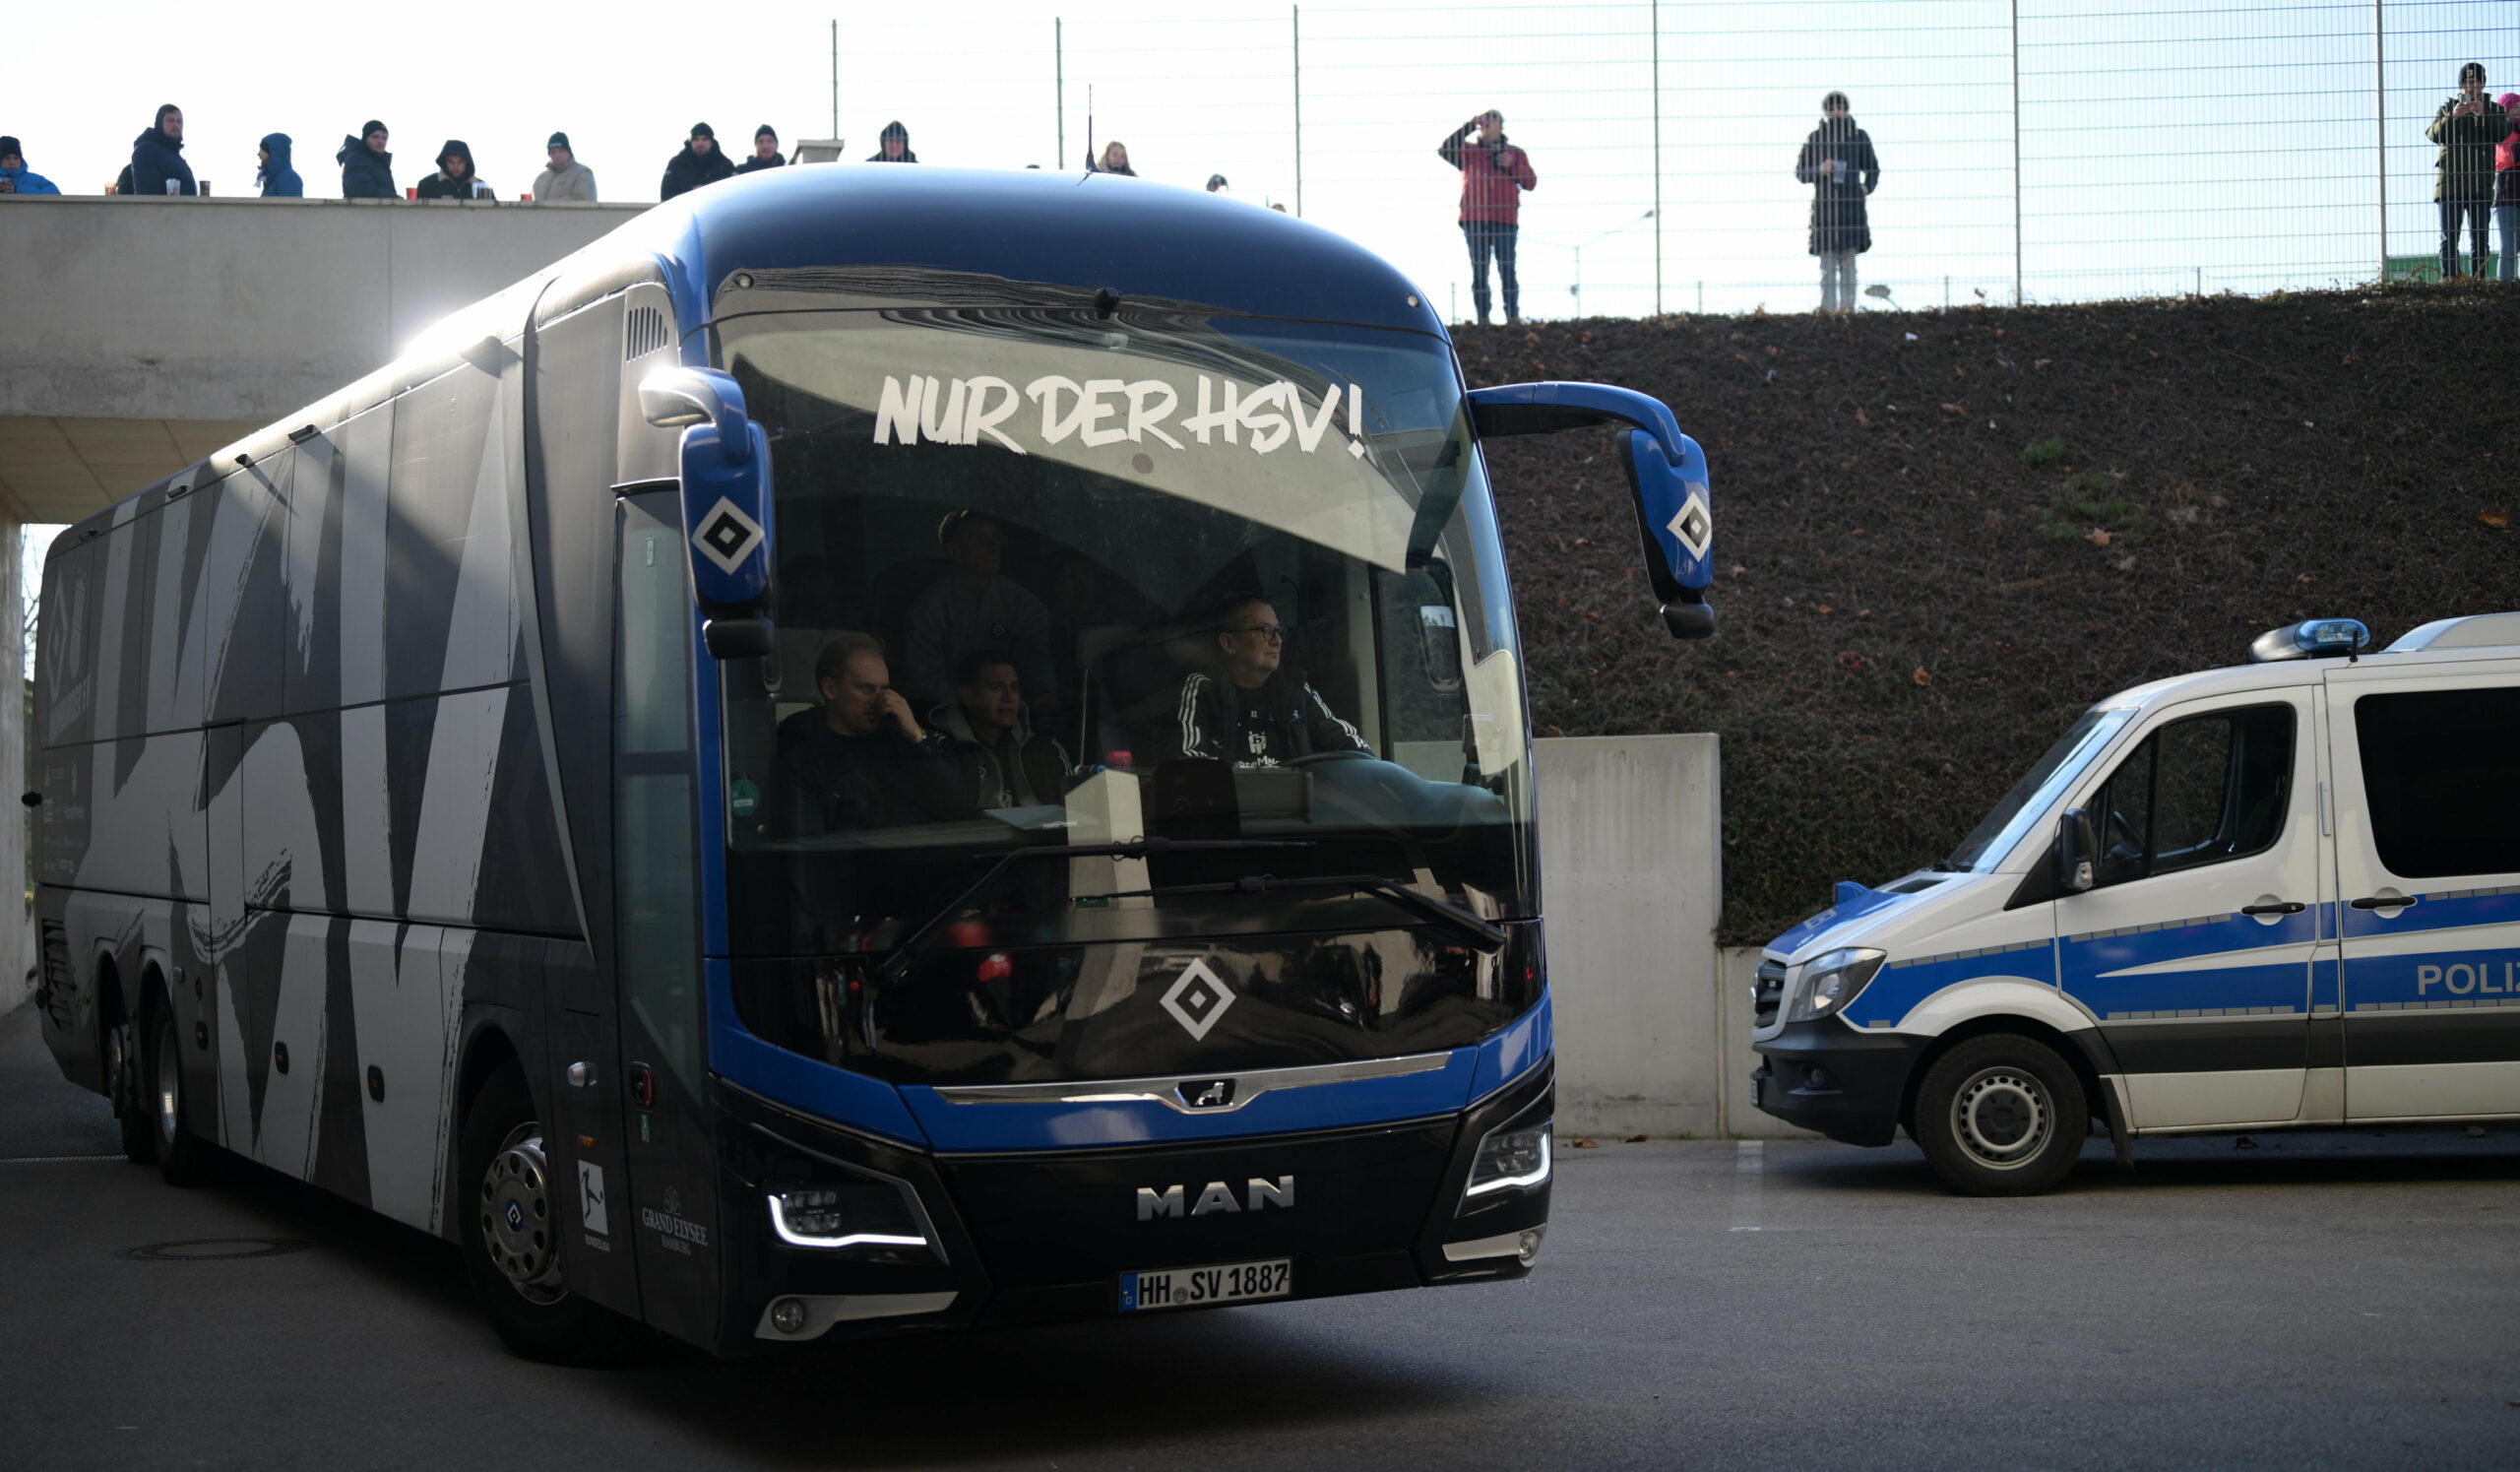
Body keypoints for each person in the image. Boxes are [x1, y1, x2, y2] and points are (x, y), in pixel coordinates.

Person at [772, 632, 968, 836]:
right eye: (866, 688)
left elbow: (958, 808)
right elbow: (807, 845)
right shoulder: (805, 760)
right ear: (830, 688)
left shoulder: (900, 742)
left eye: (883, 689)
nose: (879, 700)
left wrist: (918, 736)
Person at [1169, 596, 1366, 767]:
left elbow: (1352, 746)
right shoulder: (1204, 690)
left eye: (1278, 631)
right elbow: (1189, 762)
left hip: (1293, 809)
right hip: (1230, 809)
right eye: (1265, 630)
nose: (1277, 640)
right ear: (1229, 643)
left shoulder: (1294, 689)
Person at [900, 511, 1059, 710]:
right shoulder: (929, 609)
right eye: (979, 539)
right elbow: (924, 682)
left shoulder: (1025, 605)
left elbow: (1040, 679)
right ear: (955, 551)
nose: (992, 547)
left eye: (996, 538)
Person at [933, 650, 1071, 810]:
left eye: (1014, 688)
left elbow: (1074, 812)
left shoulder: (1045, 748)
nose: (1008, 697)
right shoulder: (943, 749)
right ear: (967, 696)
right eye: (996, 688)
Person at [1437, 110, 1536, 326]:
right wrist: (1470, 125)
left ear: (1502, 126)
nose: (1486, 124)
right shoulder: (1468, 152)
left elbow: (1530, 182)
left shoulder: (1516, 154)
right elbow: (1445, 149)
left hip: (1505, 219)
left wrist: (1512, 165)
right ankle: (1483, 319)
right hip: (1475, 219)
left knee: (1507, 267)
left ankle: (1513, 317)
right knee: (1479, 269)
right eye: (1483, 121)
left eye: (1492, 120)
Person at [1796, 91, 1881, 314]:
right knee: (1828, 264)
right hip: (1825, 208)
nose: (1836, 112)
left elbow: (1872, 168)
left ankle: (1847, 309)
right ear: (1825, 110)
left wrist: (1866, 187)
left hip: (1852, 206)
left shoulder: (1858, 136)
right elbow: (1800, 173)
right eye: (1832, 108)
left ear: (1846, 109)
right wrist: (1820, 170)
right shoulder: (1815, 138)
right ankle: (1827, 309)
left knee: (1849, 263)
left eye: (1840, 108)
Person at [2428, 64, 2508, 280]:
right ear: (2460, 85)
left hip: (2480, 184)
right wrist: (2452, 117)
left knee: (2480, 238)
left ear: (2482, 84)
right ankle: (2450, 278)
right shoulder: (2447, 108)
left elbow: (2503, 133)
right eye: (2465, 83)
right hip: (2450, 184)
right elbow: (2433, 134)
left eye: (2474, 83)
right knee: (2449, 237)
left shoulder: (2494, 109)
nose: (2469, 88)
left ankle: (2479, 281)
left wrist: (2483, 115)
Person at [130, 103, 196, 197]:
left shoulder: (174, 154)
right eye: (170, 120)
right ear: (160, 123)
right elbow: (147, 196)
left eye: (179, 121)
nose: (176, 125)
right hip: (165, 211)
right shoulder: (148, 150)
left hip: (184, 211)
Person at [662, 122, 734, 200]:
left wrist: (709, 193)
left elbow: (734, 194)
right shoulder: (677, 164)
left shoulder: (725, 165)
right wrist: (691, 194)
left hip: (716, 210)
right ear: (691, 142)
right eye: (696, 139)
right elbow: (666, 195)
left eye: (704, 139)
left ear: (712, 142)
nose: (700, 143)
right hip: (686, 210)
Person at [338, 121, 396, 200]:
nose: (380, 141)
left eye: (384, 138)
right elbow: (364, 191)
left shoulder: (381, 163)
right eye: (375, 137)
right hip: (361, 211)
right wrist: (396, 198)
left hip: (381, 211)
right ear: (365, 139)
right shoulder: (355, 160)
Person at [416, 140, 492, 200]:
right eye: (451, 162)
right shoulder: (427, 185)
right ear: (444, 162)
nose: (455, 167)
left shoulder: (482, 188)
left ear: (466, 162)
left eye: (460, 162)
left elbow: (493, 214)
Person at [532, 132, 597, 201]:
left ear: (569, 152)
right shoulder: (541, 179)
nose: (557, 155)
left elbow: (584, 201)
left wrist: (552, 205)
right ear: (549, 154)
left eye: (561, 150)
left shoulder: (582, 173)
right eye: (553, 152)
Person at [2497, 92, 2519, 283]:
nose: (2518, 112)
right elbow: (2509, 157)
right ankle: (2505, 286)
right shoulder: (2501, 131)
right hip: (2506, 198)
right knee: (2509, 247)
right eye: (2515, 108)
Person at [254, 133, 301, 198]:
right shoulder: (271, 180)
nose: (259, 153)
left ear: (274, 153)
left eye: (263, 150)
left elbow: (291, 207)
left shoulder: (288, 178)